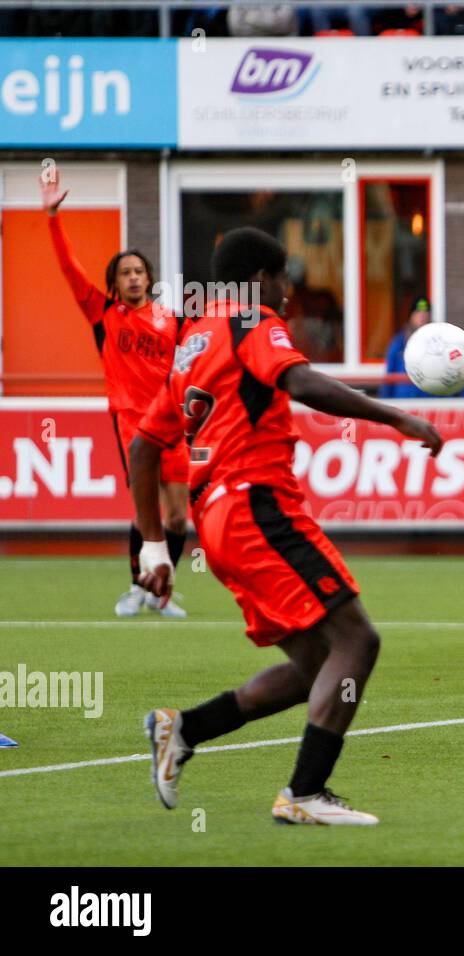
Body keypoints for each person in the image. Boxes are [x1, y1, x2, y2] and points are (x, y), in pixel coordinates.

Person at [131, 227, 443, 825]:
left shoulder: (192, 342)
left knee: (314, 667)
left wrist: (154, 547)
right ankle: (304, 794)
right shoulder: (252, 321)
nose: (290, 294)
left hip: (216, 522)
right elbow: (301, 381)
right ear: (257, 281)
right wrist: (396, 416)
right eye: (283, 279)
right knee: (357, 641)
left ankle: (183, 729)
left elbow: (145, 450)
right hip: (258, 509)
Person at [41, 166, 191, 620]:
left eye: (139, 271)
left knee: (179, 518)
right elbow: (70, 269)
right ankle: (136, 586)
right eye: (124, 272)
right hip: (132, 423)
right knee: (145, 510)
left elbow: (194, 365)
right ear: (114, 281)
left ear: (149, 279)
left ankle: (160, 586)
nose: (132, 278)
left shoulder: (172, 319)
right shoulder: (103, 313)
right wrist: (52, 218)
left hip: (173, 424)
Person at [379, 296, 433, 399]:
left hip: (430, 402)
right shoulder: (399, 342)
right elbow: (390, 374)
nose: (422, 315)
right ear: (411, 315)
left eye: (426, 312)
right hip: (404, 401)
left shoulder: (439, 342)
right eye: (417, 312)